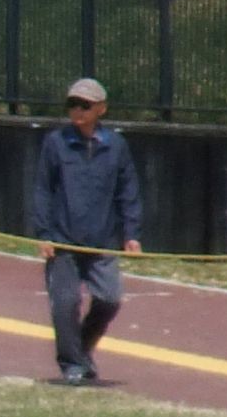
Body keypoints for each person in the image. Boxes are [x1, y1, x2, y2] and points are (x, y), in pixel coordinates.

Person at [30, 75, 144, 384]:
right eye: (72, 105)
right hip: (64, 239)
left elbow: (128, 190)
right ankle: (72, 364)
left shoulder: (116, 146)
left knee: (109, 299)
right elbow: (43, 189)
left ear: (101, 109)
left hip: (102, 240)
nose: (77, 111)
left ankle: (81, 348)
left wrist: (131, 233)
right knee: (65, 302)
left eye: (85, 105)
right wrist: (43, 234)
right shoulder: (56, 143)